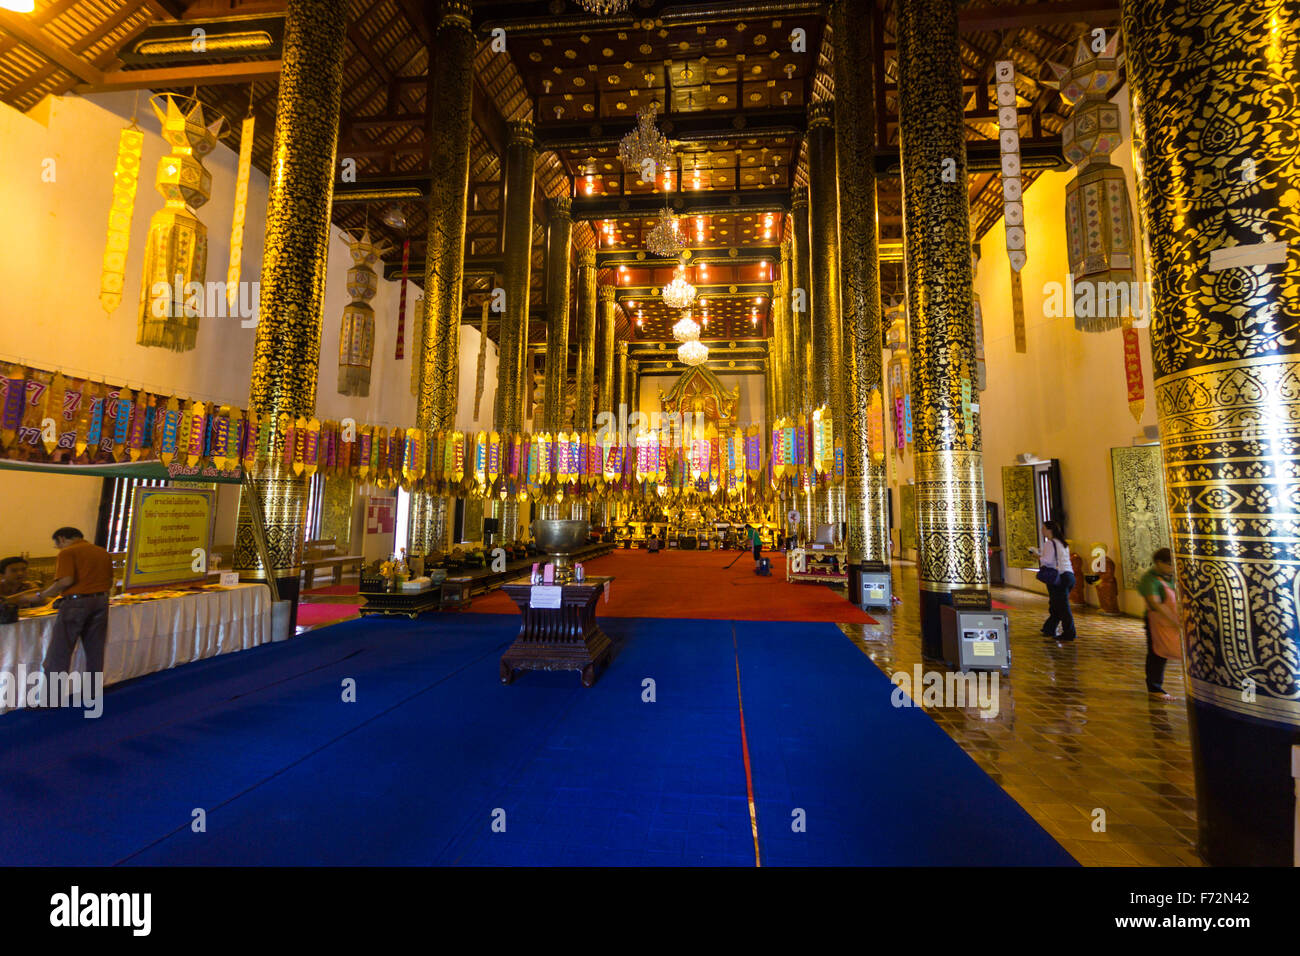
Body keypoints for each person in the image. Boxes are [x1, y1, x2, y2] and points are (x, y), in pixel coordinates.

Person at [22, 528, 113, 705]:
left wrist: (42, 595)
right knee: (95, 649)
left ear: (61, 539)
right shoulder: (102, 552)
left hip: (76, 603)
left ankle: (51, 698)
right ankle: (92, 692)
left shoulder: (68, 552)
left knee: (60, 651)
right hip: (101, 600)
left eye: (56, 544)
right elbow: (109, 581)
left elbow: (66, 581)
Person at [1139, 548, 1179, 700]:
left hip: (1173, 621)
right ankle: (1154, 687)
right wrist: (1173, 620)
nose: (1172, 567)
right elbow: (1155, 603)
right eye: (1169, 564)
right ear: (1158, 563)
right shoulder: (1149, 579)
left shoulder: (1172, 576)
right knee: (1157, 653)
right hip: (1157, 622)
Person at [1031, 520, 1076, 641]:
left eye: (1044, 528)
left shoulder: (1050, 543)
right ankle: (1049, 628)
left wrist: (1037, 556)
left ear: (1049, 530)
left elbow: (1048, 561)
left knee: (1062, 607)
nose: (1042, 530)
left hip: (1058, 577)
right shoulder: (1062, 543)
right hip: (1069, 575)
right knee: (1057, 604)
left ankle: (1069, 633)